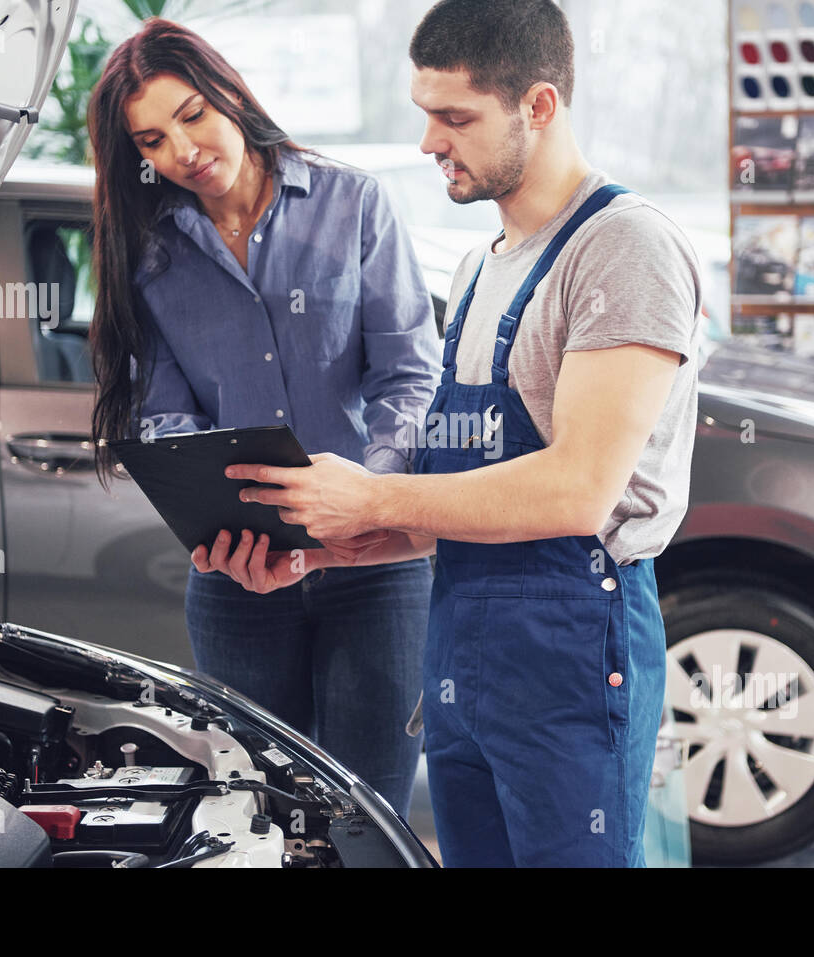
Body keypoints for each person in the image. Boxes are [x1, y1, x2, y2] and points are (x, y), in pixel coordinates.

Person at [210, 0, 702, 867]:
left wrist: (372, 495)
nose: (430, 141)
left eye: (456, 117)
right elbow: (462, 497)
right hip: (463, 655)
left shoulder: (622, 248)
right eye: (425, 114)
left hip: (571, 653)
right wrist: (334, 546)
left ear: (538, 106)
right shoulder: (478, 269)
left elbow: (576, 490)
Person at [85, 18, 441, 819]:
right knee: (255, 814)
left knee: (366, 818)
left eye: (192, 115)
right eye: (151, 140)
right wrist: (212, 513)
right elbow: (165, 412)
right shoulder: (148, 252)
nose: (183, 150)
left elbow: (410, 372)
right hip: (238, 575)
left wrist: (369, 497)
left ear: (230, 96)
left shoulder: (352, 203)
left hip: (375, 567)